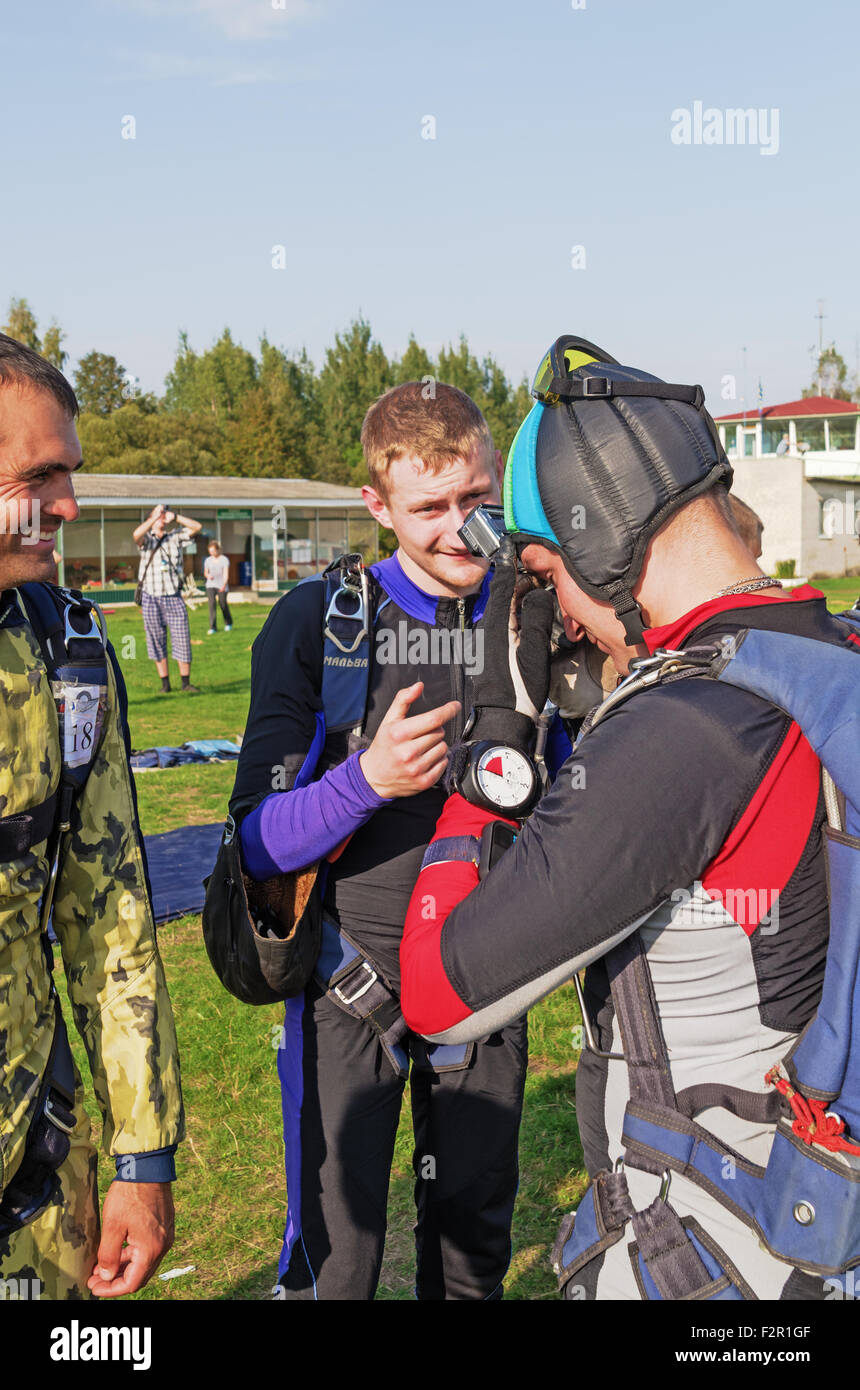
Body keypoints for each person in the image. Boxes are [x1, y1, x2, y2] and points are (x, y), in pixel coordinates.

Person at [398, 336, 856, 1300]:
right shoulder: (833, 648)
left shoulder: (685, 723)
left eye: (545, 572)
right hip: (816, 1201)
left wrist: (491, 754)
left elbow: (439, 993)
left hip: (704, 1240)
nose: (555, 611)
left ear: (600, 539)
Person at [229, 381, 536, 1300]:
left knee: (475, 1248)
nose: (458, 531)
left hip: (491, 975)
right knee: (339, 1258)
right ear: (377, 506)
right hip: (347, 985)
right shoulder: (320, 623)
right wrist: (367, 782)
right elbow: (254, 843)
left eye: (477, 501)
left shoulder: (533, 615)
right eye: (429, 508)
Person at [0, 333, 184, 1299]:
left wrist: (142, 1158)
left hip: (37, 1189)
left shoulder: (66, 653)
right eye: (41, 477)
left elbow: (108, 917)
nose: (67, 507)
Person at [132, 504, 202, 694]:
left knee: (182, 638)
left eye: (163, 514)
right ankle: (165, 684)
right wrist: (153, 518)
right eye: (158, 514)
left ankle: (185, 683)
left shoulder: (175, 537)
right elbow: (136, 535)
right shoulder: (147, 539)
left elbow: (197, 527)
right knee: (156, 640)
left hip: (173, 596)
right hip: (151, 597)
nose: (161, 517)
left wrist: (176, 517)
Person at [204, 539, 232, 634]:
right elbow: (205, 573)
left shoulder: (224, 559)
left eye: (213, 551)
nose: (211, 553)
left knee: (222, 604)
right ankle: (213, 627)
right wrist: (208, 576)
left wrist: (224, 585)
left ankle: (228, 623)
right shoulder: (208, 560)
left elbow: (226, 574)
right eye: (210, 551)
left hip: (222, 585)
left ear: (217, 550)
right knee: (211, 605)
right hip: (210, 585)